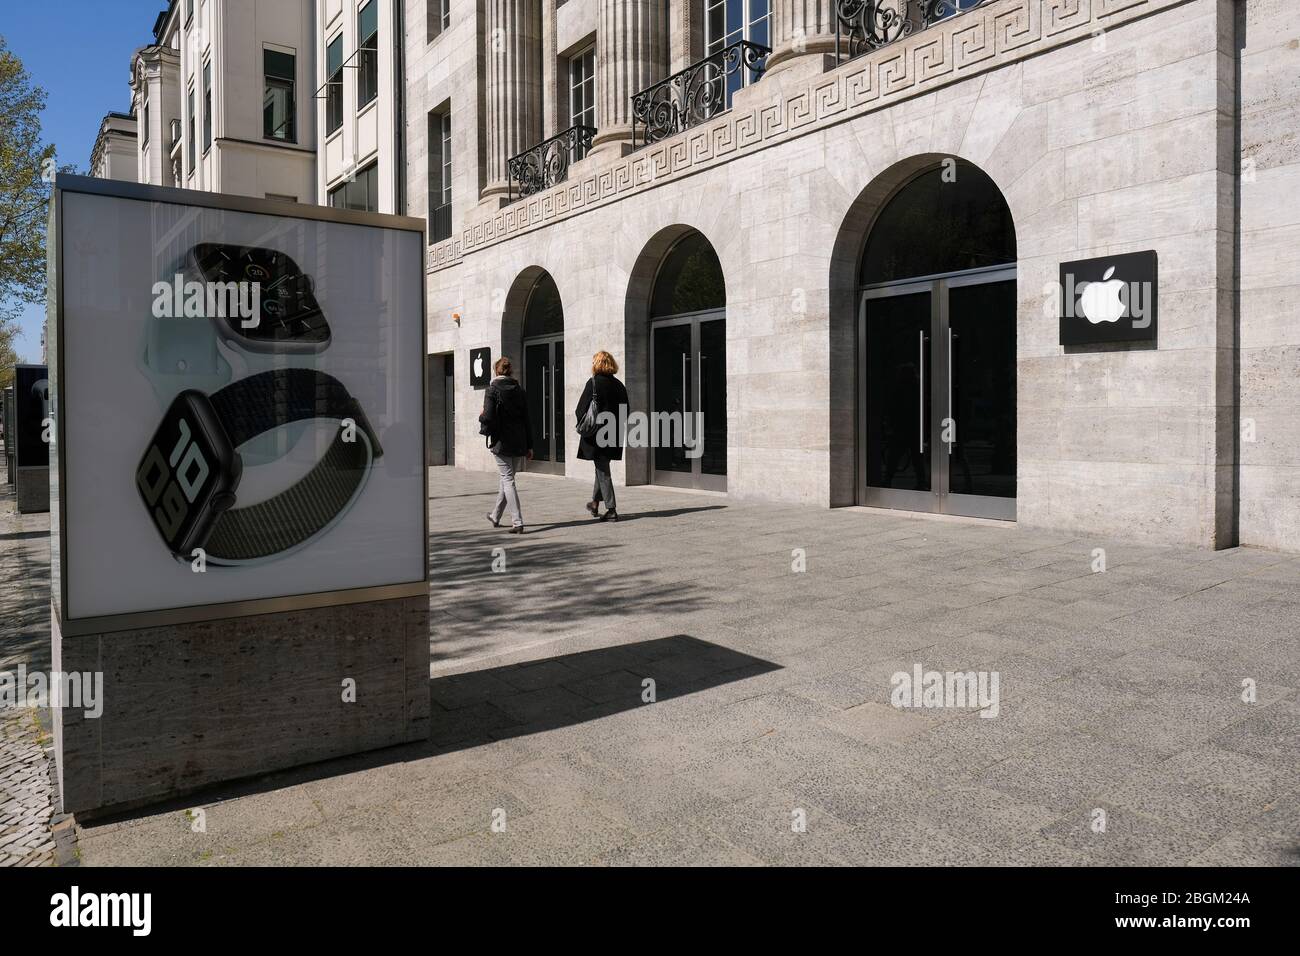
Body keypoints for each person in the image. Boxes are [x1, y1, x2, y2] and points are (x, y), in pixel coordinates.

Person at [478, 356, 533, 533]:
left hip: (501, 442)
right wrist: (529, 445)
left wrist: (481, 415)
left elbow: (487, 417)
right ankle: (495, 515)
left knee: (508, 479)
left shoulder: (492, 389)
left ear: (496, 371)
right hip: (519, 441)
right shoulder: (520, 390)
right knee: (507, 478)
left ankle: (517, 522)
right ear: (510, 371)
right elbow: (527, 419)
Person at [575, 350, 629, 522]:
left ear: (597, 364)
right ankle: (594, 503)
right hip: (613, 432)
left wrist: (583, 425)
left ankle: (611, 509)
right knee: (601, 466)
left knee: (602, 469)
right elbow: (626, 411)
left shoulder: (593, 383)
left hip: (597, 434)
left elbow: (580, 409)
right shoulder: (619, 385)